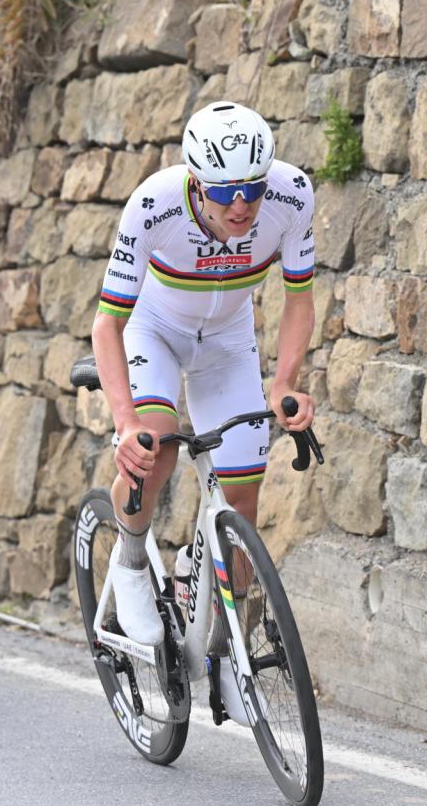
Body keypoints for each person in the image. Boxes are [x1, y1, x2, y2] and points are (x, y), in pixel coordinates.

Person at [90, 101, 317, 719]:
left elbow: (299, 299)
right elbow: (107, 325)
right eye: (224, 191)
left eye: (252, 187)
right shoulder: (154, 204)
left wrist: (286, 381)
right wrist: (125, 421)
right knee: (155, 449)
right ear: (196, 180)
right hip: (153, 333)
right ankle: (133, 561)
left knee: (243, 495)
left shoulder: (292, 196)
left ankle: (225, 655)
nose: (242, 204)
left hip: (226, 342)